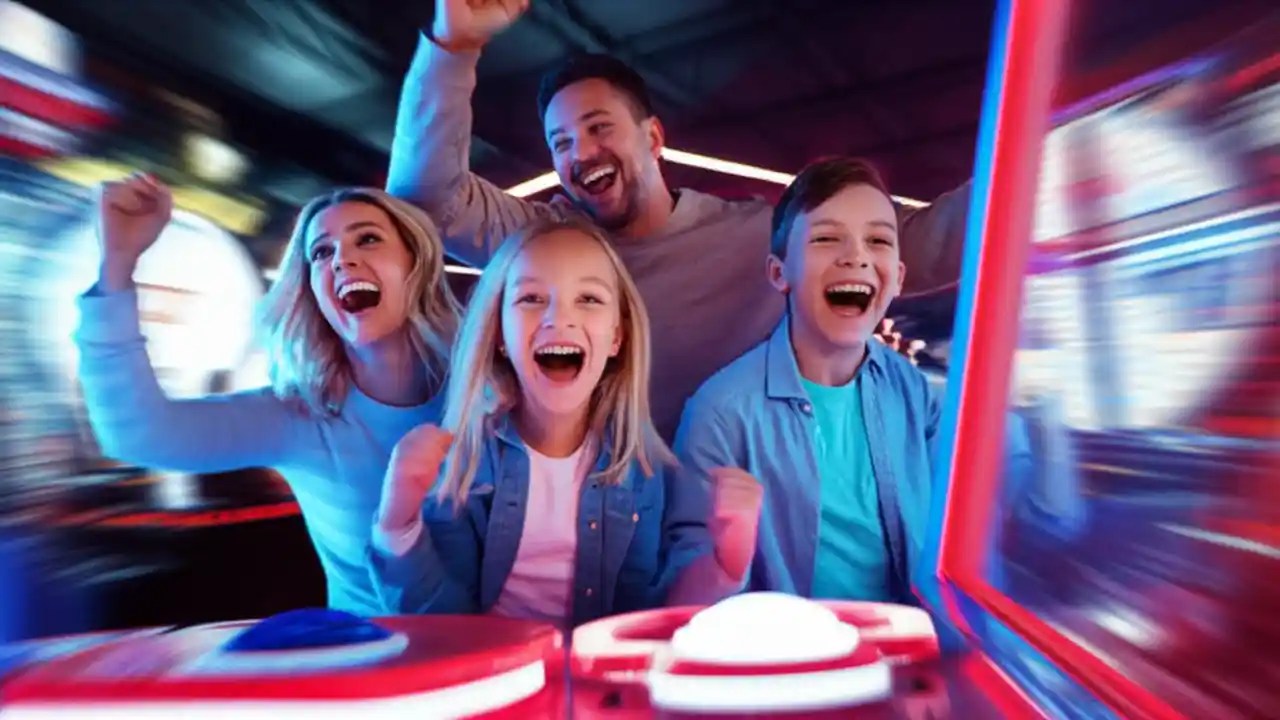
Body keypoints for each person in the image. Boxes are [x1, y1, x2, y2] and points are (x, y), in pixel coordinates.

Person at [385, 0, 972, 442]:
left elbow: (917, 247)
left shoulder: (754, 234)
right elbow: (426, 203)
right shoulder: (548, 243)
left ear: (653, 138)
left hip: (749, 511)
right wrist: (453, 46)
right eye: (561, 143)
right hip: (609, 527)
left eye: (599, 127)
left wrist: (1020, 165)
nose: (581, 153)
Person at [76, 173, 461, 614]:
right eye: (322, 252)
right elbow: (137, 436)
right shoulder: (299, 414)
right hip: (375, 650)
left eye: (367, 239)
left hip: (510, 647)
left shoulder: (488, 389)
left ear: (416, 263)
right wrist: (117, 265)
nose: (341, 260)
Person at [368, 217, 760, 629]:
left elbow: (643, 615)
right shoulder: (466, 462)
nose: (559, 318)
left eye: (588, 298)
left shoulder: (640, 471)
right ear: (499, 334)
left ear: (617, 337)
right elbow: (443, 619)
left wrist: (724, 566)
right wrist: (397, 522)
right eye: (531, 298)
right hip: (493, 662)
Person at [673, 157, 940, 603]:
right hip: (784, 648)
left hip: (908, 638)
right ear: (780, 274)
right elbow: (680, 601)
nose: (855, 256)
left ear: (897, 278)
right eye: (826, 238)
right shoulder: (720, 412)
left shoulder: (913, 393)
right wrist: (723, 562)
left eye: (877, 240)